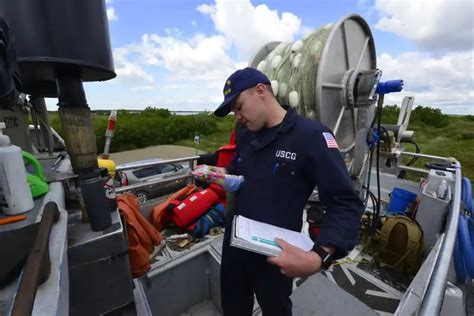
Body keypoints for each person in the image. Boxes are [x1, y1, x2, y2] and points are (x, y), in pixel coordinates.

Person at [213, 67, 364, 316]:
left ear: (260, 91)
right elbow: (241, 169)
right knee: (233, 308)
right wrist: (224, 175)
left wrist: (318, 256)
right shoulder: (244, 132)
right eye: (233, 111)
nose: (237, 116)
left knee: (276, 310)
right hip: (235, 243)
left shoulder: (312, 136)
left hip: (275, 254)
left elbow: (345, 202)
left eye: (239, 107)